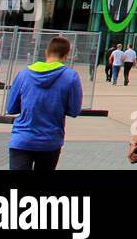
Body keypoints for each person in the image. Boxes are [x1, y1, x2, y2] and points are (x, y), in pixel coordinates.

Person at [6, 35, 83, 171]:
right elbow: (74, 110)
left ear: (46, 52)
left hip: (22, 139)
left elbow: (11, 108)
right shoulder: (71, 76)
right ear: (66, 55)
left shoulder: (24, 74)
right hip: (50, 141)